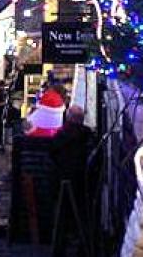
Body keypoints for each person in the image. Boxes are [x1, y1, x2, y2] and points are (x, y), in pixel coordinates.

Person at [49, 106, 96, 256]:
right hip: (82, 184)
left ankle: (60, 247)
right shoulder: (87, 135)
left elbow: (52, 153)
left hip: (61, 182)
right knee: (81, 218)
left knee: (61, 217)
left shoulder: (60, 135)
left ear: (68, 117)